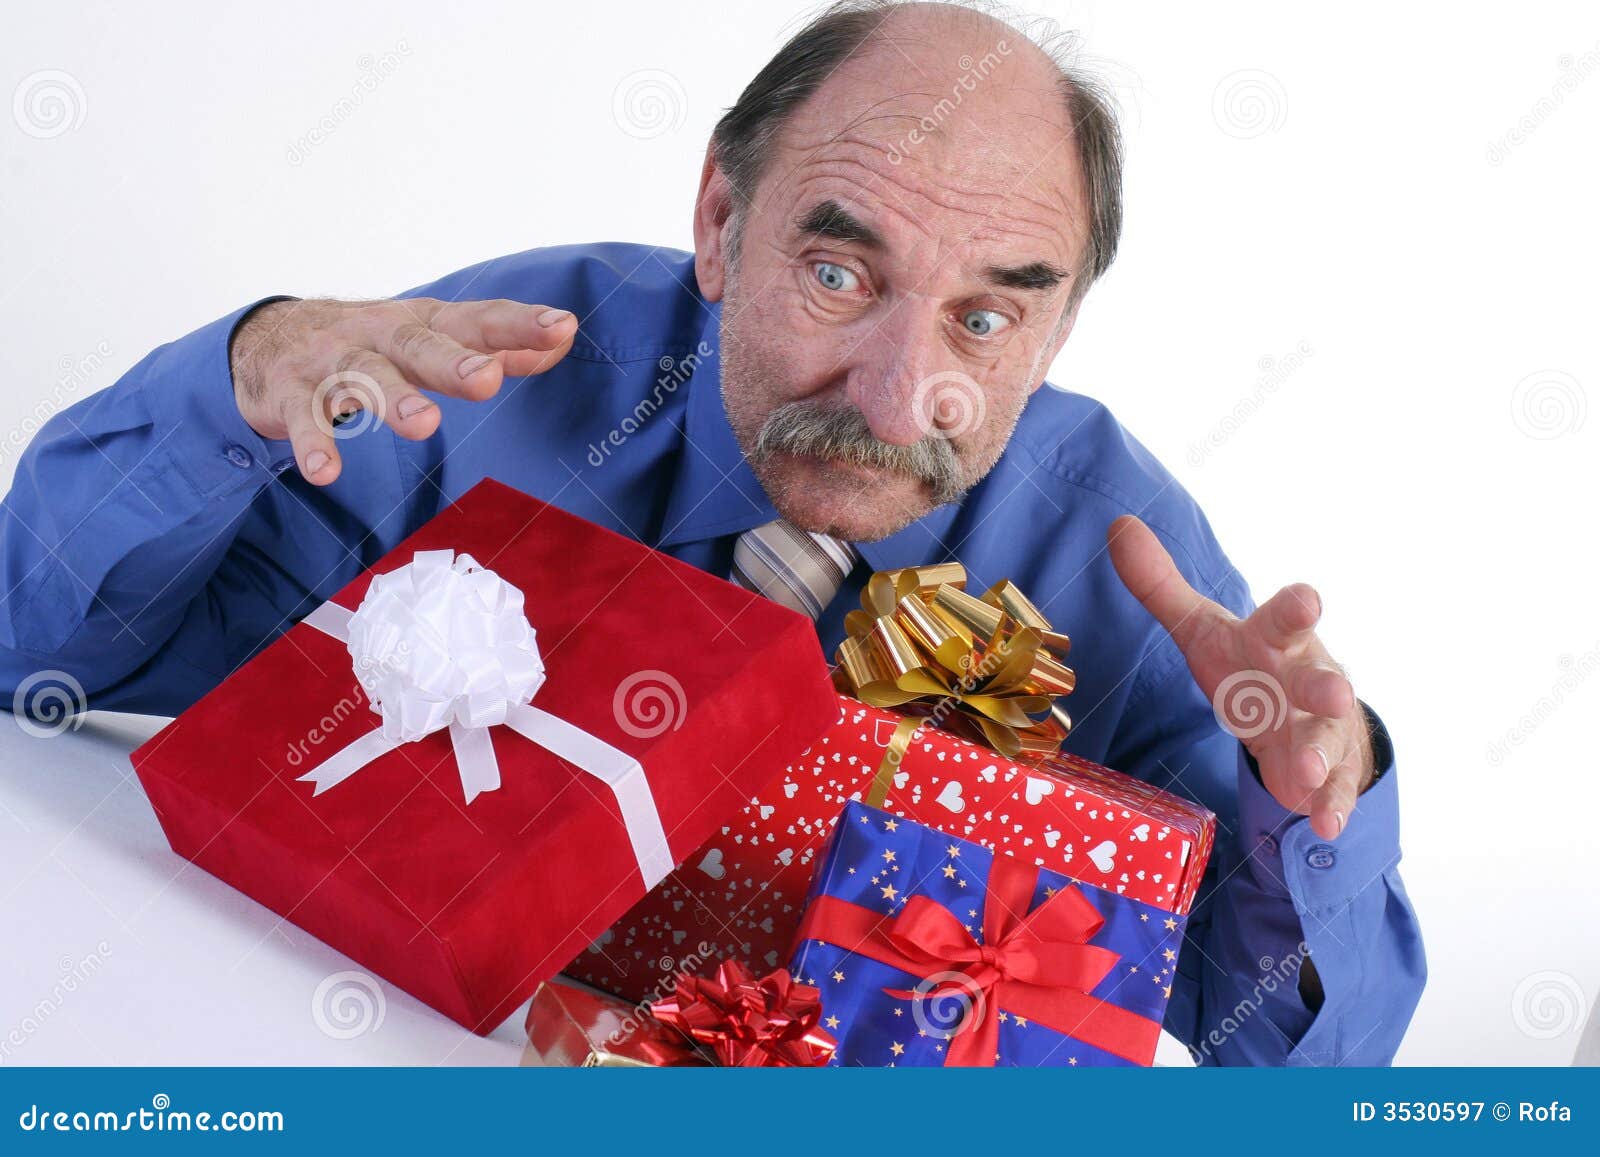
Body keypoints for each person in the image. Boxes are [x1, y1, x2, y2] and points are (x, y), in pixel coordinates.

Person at [0, 0, 1423, 1064]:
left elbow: (1300, 1072)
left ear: (1058, 327)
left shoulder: (1121, 561)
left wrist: (1317, 809)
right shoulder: (507, 376)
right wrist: (239, 382)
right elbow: (40, 653)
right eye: (834, 268)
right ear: (720, 222)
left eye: (987, 317)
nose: (895, 394)